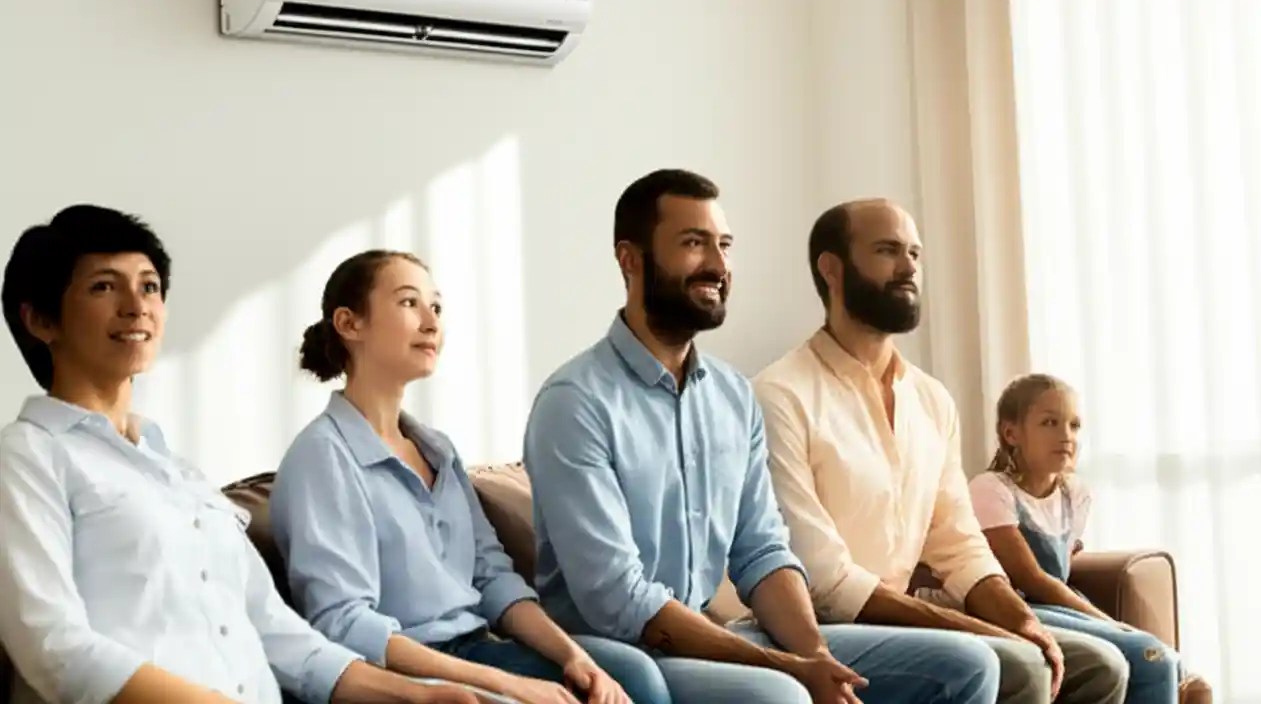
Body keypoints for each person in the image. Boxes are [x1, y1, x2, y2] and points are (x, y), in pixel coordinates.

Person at [522, 169, 1001, 704]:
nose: (718, 265)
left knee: (968, 663)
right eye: (692, 243)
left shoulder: (730, 395)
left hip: (719, 634)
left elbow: (763, 553)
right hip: (622, 652)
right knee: (781, 696)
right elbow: (620, 599)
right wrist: (789, 667)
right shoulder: (575, 402)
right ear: (630, 260)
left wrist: (815, 656)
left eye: (724, 245)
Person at [0, 205, 480, 704]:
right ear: (40, 320)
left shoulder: (177, 472)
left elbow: (274, 629)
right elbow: (54, 647)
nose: (136, 305)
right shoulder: (28, 456)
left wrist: (417, 695)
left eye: (148, 286)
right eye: (104, 287)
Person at [750, 198, 1130, 704]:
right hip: (815, 626)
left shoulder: (931, 400)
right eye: (888, 250)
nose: (909, 267)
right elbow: (825, 581)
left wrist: (1021, 621)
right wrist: (976, 630)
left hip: (899, 623)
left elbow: (959, 545)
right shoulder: (779, 395)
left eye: (915, 253)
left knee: (1107, 665)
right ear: (832, 268)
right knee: (1018, 665)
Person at [271, 250, 671, 704]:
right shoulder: (322, 457)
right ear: (349, 324)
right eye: (408, 303)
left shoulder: (438, 450)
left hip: (480, 648)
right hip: (406, 670)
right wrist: (506, 684)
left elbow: (493, 578)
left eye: (436, 307)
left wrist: (572, 656)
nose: (431, 322)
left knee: (633, 675)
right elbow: (343, 623)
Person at [969, 374, 1179, 703]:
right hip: (1014, 605)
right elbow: (1032, 578)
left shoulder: (1075, 493)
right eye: (1049, 423)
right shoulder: (990, 489)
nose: (1065, 436)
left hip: (1056, 603)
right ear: (1012, 434)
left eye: (1074, 425)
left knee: (1161, 659)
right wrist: (1108, 622)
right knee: (1147, 652)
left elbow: (1065, 562)